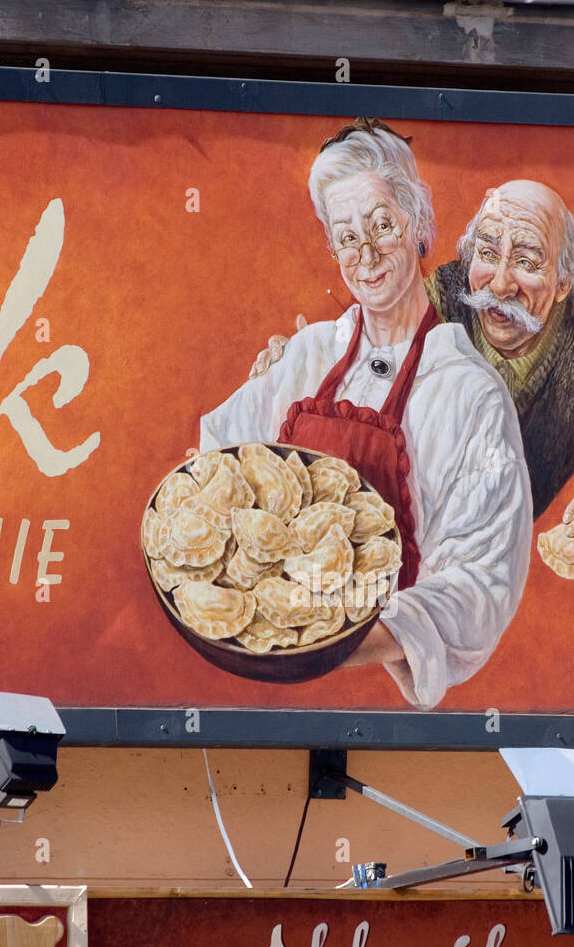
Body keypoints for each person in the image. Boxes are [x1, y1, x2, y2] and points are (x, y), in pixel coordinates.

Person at [198, 119, 532, 709]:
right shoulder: (306, 356)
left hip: (372, 687)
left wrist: (321, 643)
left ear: (418, 224)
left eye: (382, 225)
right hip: (266, 668)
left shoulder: (468, 395)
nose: (368, 255)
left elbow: (481, 584)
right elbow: (215, 470)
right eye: (347, 237)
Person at [254, 178, 574, 546]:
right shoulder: (445, 295)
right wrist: (300, 363)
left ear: (563, 283)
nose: (499, 284)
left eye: (526, 261)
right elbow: (362, 353)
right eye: (486, 253)